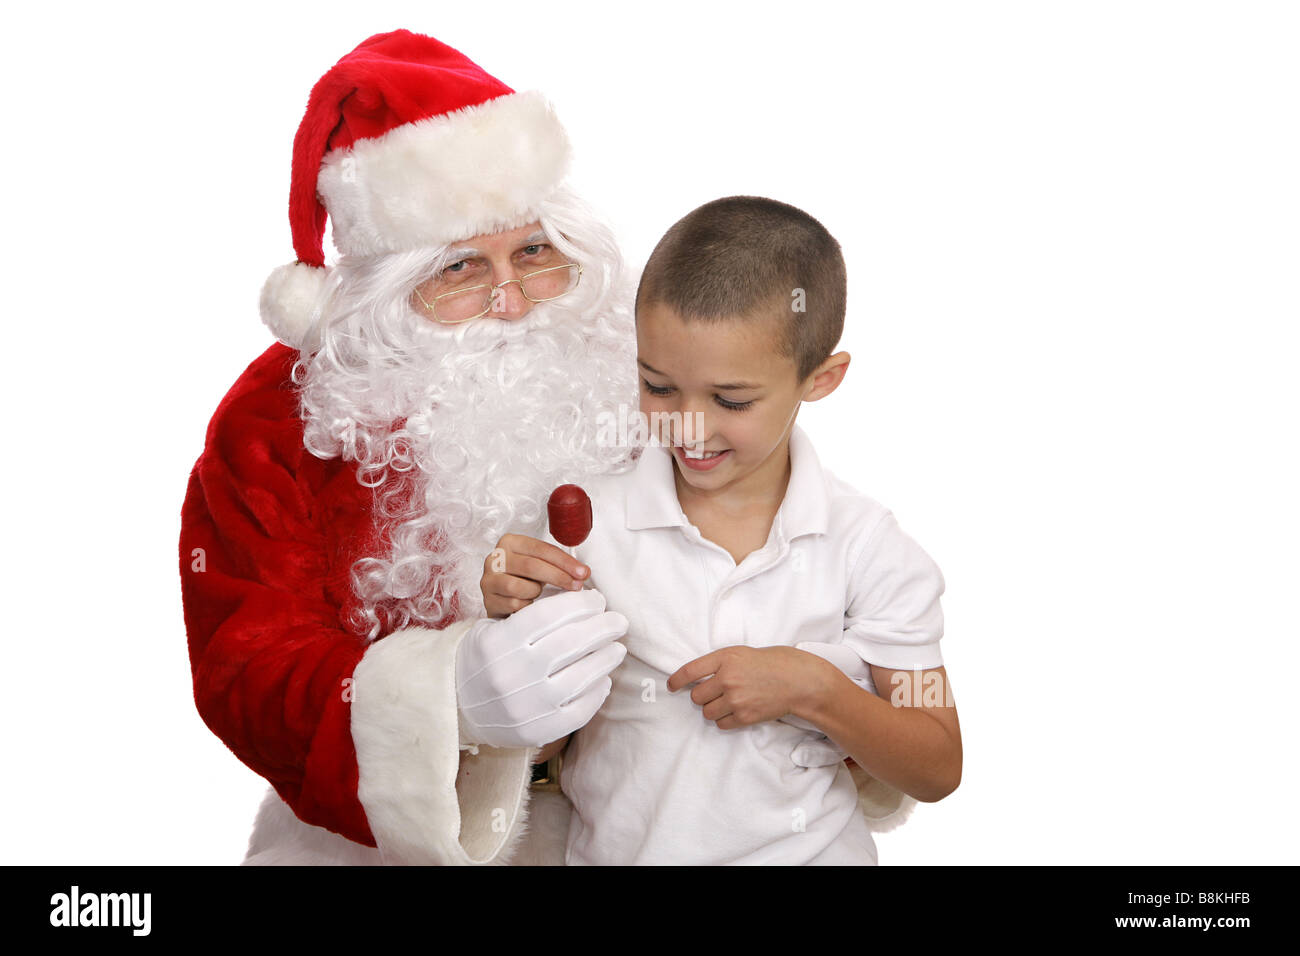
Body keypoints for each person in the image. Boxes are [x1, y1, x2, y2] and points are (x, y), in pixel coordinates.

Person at [179, 29, 639, 865]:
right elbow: (244, 667)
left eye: (533, 251)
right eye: (462, 268)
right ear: (389, 285)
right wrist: (446, 698)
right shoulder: (276, 420)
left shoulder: (635, 362)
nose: (511, 301)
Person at [481, 196, 962, 864]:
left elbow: (937, 759)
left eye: (730, 400)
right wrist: (509, 635)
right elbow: (531, 751)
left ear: (821, 379)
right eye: (659, 386)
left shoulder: (872, 550)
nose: (688, 426)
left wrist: (812, 686)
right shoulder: (585, 519)